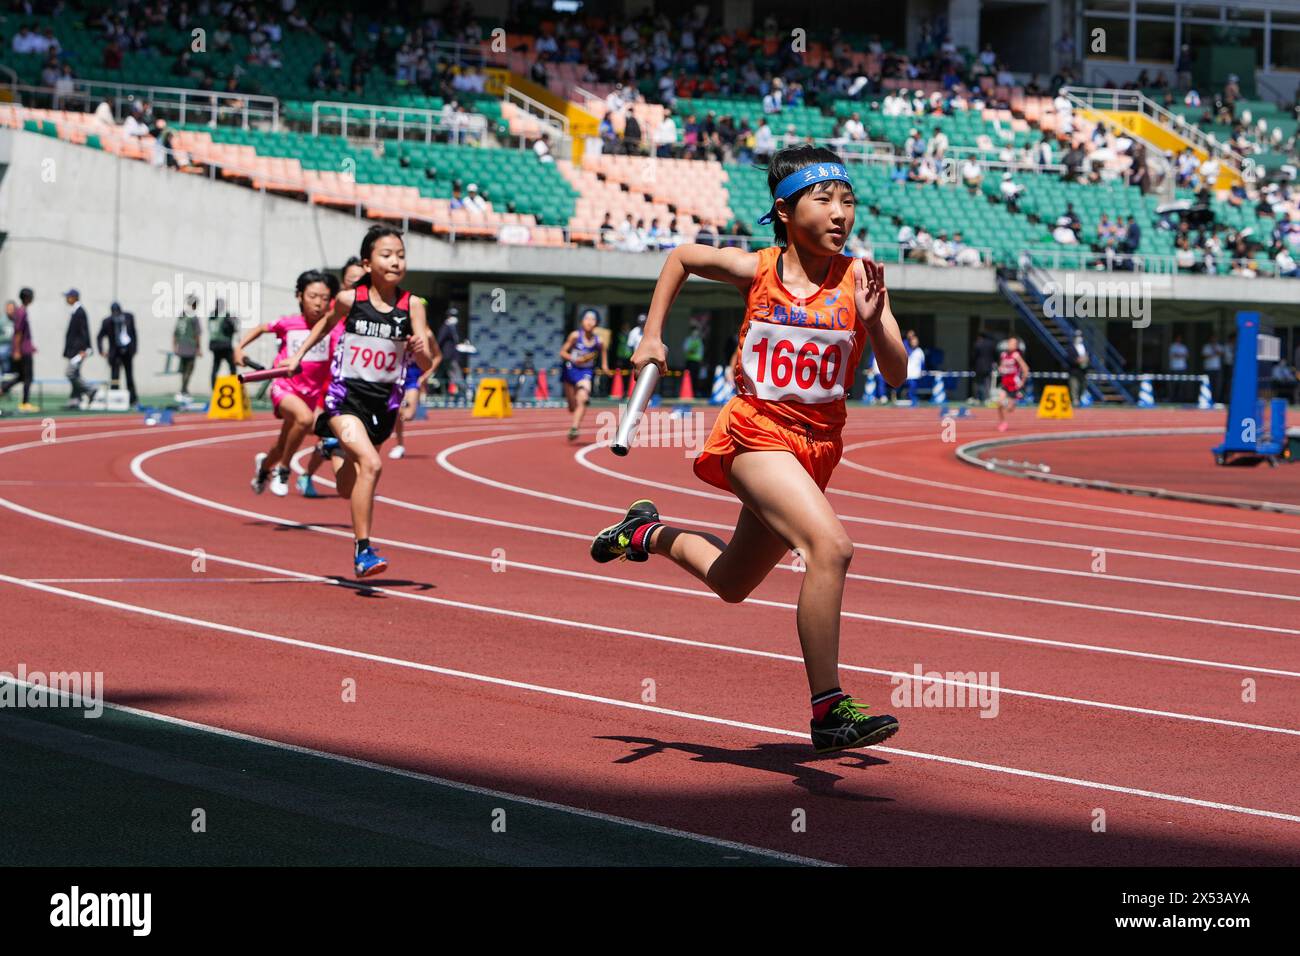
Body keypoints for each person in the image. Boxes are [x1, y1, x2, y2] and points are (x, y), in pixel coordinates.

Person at [587, 145, 908, 754]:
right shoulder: (755, 268)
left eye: (849, 201)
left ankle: (644, 534)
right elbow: (680, 257)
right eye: (825, 200)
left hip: (816, 448)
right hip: (754, 434)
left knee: (732, 581)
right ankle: (829, 708)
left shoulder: (862, 280)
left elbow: (895, 375)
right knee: (830, 549)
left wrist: (872, 320)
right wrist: (653, 335)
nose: (841, 213)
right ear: (785, 212)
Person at [287, 226, 433, 577]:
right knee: (372, 465)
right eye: (387, 255)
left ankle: (332, 451)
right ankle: (363, 550)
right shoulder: (350, 300)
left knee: (347, 486)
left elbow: (427, 364)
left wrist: (419, 351)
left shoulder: (412, 305)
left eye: (400, 255)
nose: (395, 261)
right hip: (345, 400)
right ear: (368, 263)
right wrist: (300, 356)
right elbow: (324, 325)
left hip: (383, 407)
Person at [235, 270, 341, 497]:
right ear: (299, 296)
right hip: (285, 388)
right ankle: (284, 470)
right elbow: (261, 328)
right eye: (312, 296)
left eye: (324, 298)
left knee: (283, 445)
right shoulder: (289, 323)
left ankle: (264, 467)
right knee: (303, 419)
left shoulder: (332, 327)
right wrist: (239, 348)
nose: (318, 303)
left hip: (312, 394)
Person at [299, 257, 367, 497]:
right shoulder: (333, 316)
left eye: (362, 280)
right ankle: (347, 485)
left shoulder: (374, 314)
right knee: (337, 444)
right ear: (343, 284)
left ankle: (308, 474)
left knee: (337, 444)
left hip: (363, 394)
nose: (357, 285)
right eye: (351, 281)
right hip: (332, 393)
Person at [390, 298, 442, 460]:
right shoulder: (398, 330)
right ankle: (399, 444)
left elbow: (438, 357)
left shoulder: (427, 334)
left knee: (409, 414)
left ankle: (397, 428)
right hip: (396, 377)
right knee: (398, 412)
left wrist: (425, 376)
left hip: (413, 378)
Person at [560, 308, 610, 441]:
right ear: (582, 321)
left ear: (597, 323)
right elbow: (562, 352)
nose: (589, 322)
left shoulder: (599, 342)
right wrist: (576, 359)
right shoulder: (575, 336)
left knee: (582, 397)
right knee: (572, 406)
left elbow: (604, 359)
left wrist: (606, 369)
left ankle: (574, 428)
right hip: (570, 370)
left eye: (593, 319)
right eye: (587, 319)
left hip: (585, 372)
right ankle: (574, 405)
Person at [0, 289, 37, 411]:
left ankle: (3, 388)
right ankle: (25, 402)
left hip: (25, 348)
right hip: (23, 351)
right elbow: (18, 333)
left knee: (21, 376)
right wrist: (16, 350)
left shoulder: (21, 311)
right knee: (28, 377)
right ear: (27, 298)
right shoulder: (21, 312)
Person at [96, 302, 138, 406]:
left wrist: (134, 349)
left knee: (129, 376)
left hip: (127, 351)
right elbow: (99, 336)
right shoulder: (107, 321)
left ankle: (132, 399)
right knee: (115, 376)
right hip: (115, 352)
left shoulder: (129, 318)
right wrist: (101, 350)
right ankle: (114, 398)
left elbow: (134, 333)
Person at [62, 289, 93, 408]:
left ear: (74, 297)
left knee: (70, 373)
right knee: (75, 373)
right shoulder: (75, 311)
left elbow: (84, 331)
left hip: (78, 350)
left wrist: (84, 349)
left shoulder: (80, 312)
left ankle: (90, 389)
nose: (66, 299)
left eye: (68, 297)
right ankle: (75, 399)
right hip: (74, 350)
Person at [995, 337, 1030, 431]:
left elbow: (1026, 369)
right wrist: (1000, 369)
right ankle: (1003, 422)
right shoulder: (1003, 355)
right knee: (999, 403)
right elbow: (1001, 366)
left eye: (1013, 344)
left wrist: (1022, 382)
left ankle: (1014, 401)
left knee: (1010, 409)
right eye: (1010, 343)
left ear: (1016, 346)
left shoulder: (1016, 355)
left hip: (1014, 385)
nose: (1010, 345)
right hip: (1005, 383)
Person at [173, 295, 202, 401]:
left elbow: (175, 333)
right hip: (190, 347)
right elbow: (197, 335)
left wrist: (175, 347)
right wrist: (199, 348)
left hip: (181, 347)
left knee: (184, 370)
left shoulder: (182, 316)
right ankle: (183, 390)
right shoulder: (193, 317)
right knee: (188, 370)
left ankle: (183, 390)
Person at [208, 299, 238, 387]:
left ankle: (213, 388)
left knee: (215, 367)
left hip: (214, 344)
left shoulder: (212, 315)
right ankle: (234, 386)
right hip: (225, 344)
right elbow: (232, 328)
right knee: (232, 366)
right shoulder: (225, 315)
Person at [971, 329, 996, 404]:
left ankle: (976, 398)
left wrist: (972, 364)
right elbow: (994, 355)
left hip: (978, 366)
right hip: (988, 366)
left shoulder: (978, 344)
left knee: (977, 382)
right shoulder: (991, 344)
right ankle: (987, 398)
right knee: (987, 382)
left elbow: (974, 356)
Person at [1068, 330, 1089, 406]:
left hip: (1083, 371)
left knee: (1082, 387)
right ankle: (1074, 402)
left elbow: (1089, 357)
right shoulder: (1071, 347)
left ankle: (1079, 400)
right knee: (1074, 387)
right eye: (1077, 336)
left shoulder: (1084, 347)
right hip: (1074, 371)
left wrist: (1086, 360)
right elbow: (1069, 359)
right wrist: (1077, 360)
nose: (1079, 338)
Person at [1168, 333, 1189, 403]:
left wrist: (1179, 355)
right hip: (1174, 368)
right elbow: (1174, 355)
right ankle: (1172, 399)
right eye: (1178, 338)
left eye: (1180, 338)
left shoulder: (1183, 347)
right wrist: (1180, 355)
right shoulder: (1172, 346)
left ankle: (1181, 399)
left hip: (1182, 368)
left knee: (1182, 385)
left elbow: (1186, 356)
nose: (1179, 339)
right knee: (1174, 385)